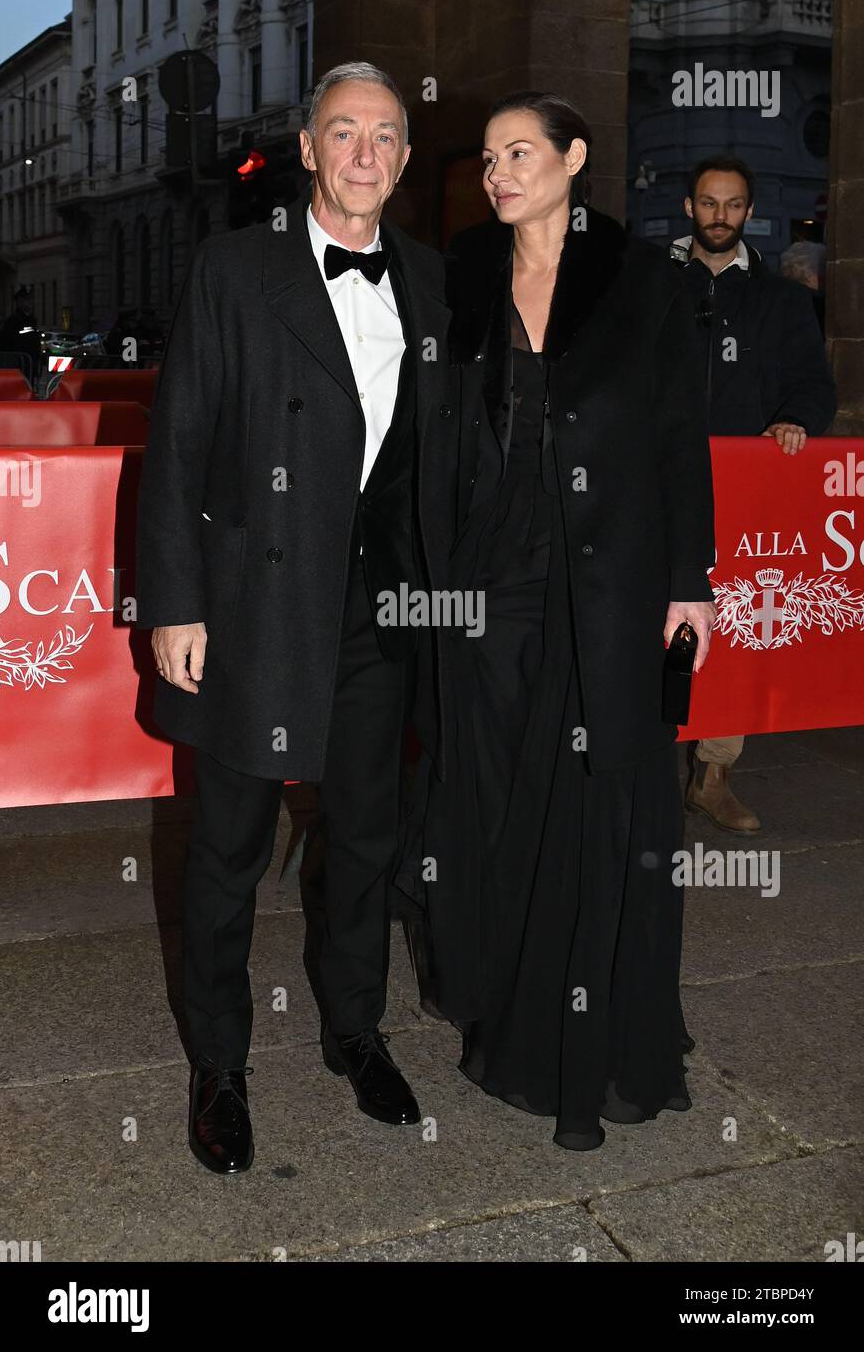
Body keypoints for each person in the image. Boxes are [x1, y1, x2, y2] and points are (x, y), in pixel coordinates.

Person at [135, 62, 456, 1174]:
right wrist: (174, 602)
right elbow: (175, 444)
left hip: (378, 611)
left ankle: (353, 1029)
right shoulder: (235, 267)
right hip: (255, 605)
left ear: (404, 160)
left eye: (383, 134)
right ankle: (219, 1065)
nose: (363, 152)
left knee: (364, 837)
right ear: (309, 151)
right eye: (342, 132)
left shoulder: (429, 277)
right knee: (227, 848)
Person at [397, 92, 717, 1151]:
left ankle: (590, 1031)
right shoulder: (465, 273)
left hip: (611, 578)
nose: (497, 171)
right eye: (487, 156)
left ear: (574, 159)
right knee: (492, 780)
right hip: (490, 574)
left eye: (519, 151)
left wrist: (689, 580)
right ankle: (503, 986)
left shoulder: (640, 279)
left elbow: (677, 436)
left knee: (598, 796)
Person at [672, 156, 836, 833]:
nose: (720, 215)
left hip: (745, 490)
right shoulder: (650, 289)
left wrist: (795, 418)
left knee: (734, 626)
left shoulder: (784, 300)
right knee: (654, 622)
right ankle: (649, 770)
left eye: (733, 205)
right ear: (689, 208)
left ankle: (714, 775)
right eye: (708, 203)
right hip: (657, 479)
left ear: (748, 212)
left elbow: (814, 384)